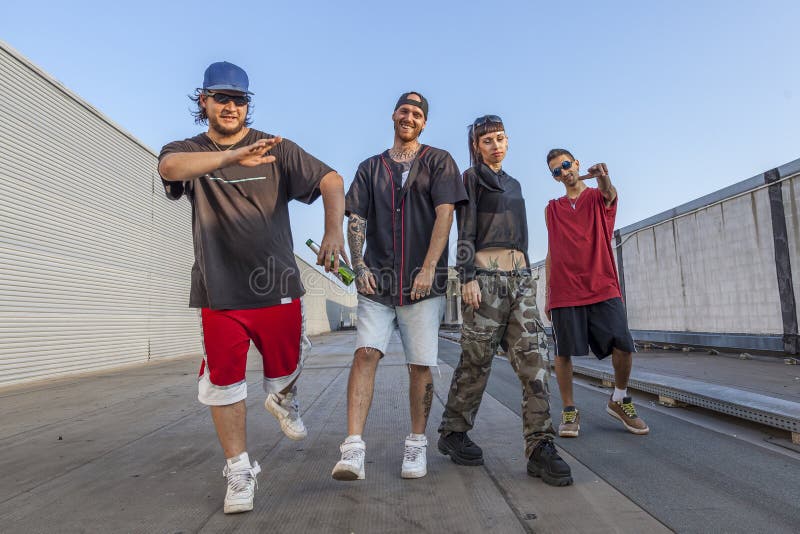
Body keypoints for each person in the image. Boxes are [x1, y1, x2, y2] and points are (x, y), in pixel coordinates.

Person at [158, 61, 347, 514]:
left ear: (248, 105)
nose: (230, 106)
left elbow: (332, 180)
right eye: (221, 97)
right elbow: (169, 167)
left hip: (277, 283)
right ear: (203, 100)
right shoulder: (189, 149)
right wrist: (229, 157)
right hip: (220, 291)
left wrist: (332, 231)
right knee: (225, 385)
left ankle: (283, 396)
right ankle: (239, 469)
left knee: (287, 368)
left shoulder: (275, 149)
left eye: (239, 99)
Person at [331, 91, 467, 481]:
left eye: (417, 113)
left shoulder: (439, 161)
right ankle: (353, 448)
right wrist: (358, 266)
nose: (410, 116)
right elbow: (355, 217)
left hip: (423, 286)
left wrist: (428, 268)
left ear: (424, 123)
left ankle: (416, 444)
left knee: (420, 365)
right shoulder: (371, 167)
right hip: (378, 282)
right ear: (393, 115)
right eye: (404, 110)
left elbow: (446, 216)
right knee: (365, 355)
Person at [436, 115, 573, 487]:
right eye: (487, 141)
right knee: (475, 362)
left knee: (535, 362)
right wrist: (466, 276)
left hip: (520, 281)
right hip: (485, 281)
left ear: (508, 141)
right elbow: (464, 227)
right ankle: (453, 432)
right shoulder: (471, 178)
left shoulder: (514, 183)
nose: (495, 145)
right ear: (477, 147)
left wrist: (527, 278)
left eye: (499, 138)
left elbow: (523, 236)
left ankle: (540, 447)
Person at [544, 148, 649, 439]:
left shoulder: (595, 198)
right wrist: (548, 292)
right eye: (556, 170)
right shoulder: (552, 208)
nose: (564, 172)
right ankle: (569, 409)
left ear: (576, 164)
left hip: (602, 285)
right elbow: (553, 251)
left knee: (623, 344)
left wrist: (604, 177)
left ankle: (619, 398)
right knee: (563, 352)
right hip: (565, 289)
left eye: (566, 165)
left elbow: (609, 193)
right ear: (554, 177)